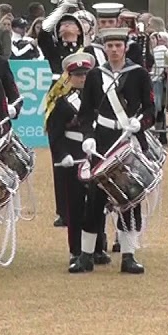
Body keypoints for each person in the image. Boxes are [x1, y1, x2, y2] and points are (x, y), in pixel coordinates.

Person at [74, 28, 154, 275]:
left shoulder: (139, 74)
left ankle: (129, 255)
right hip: (103, 140)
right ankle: (86, 256)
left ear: (125, 48)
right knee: (94, 199)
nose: (114, 50)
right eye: (110, 46)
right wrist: (88, 137)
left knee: (130, 198)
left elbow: (151, 109)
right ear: (105, 48)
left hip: (129, 139)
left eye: (118, 46)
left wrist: (141, 123)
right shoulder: (95, 75)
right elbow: (86, 112)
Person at [45, 52, 99, 271]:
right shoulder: (61, 102)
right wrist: (63, 154)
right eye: (77, 75)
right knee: (75, 208)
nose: (82, 79)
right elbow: (55, 134)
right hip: (73, 155)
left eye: (85, 74)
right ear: (69, 77)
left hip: (95, 154)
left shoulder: (100, 98)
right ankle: (76, 251)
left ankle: (98, 248)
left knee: (97, 205)